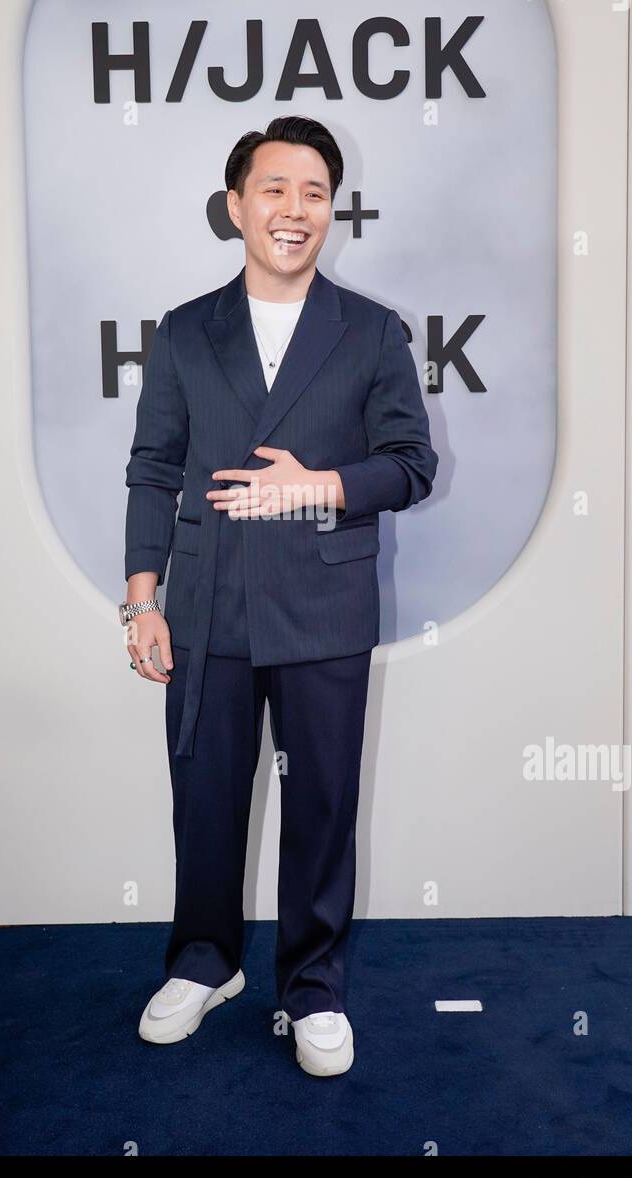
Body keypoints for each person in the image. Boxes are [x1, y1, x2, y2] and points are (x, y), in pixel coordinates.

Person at [121, 116, 438, 1076]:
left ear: (329, 212)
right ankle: (204, 961)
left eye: (312, 193)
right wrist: (144, 601)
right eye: (273, 190)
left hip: (324, 610)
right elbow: (151, 470)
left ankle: (313, 988)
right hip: (207, 605)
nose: (292, 210)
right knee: (204, 799)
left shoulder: (372, 330)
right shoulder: (183, 331)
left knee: (324, 807)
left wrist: (320, 484)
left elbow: (411, 466)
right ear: (236, 206)